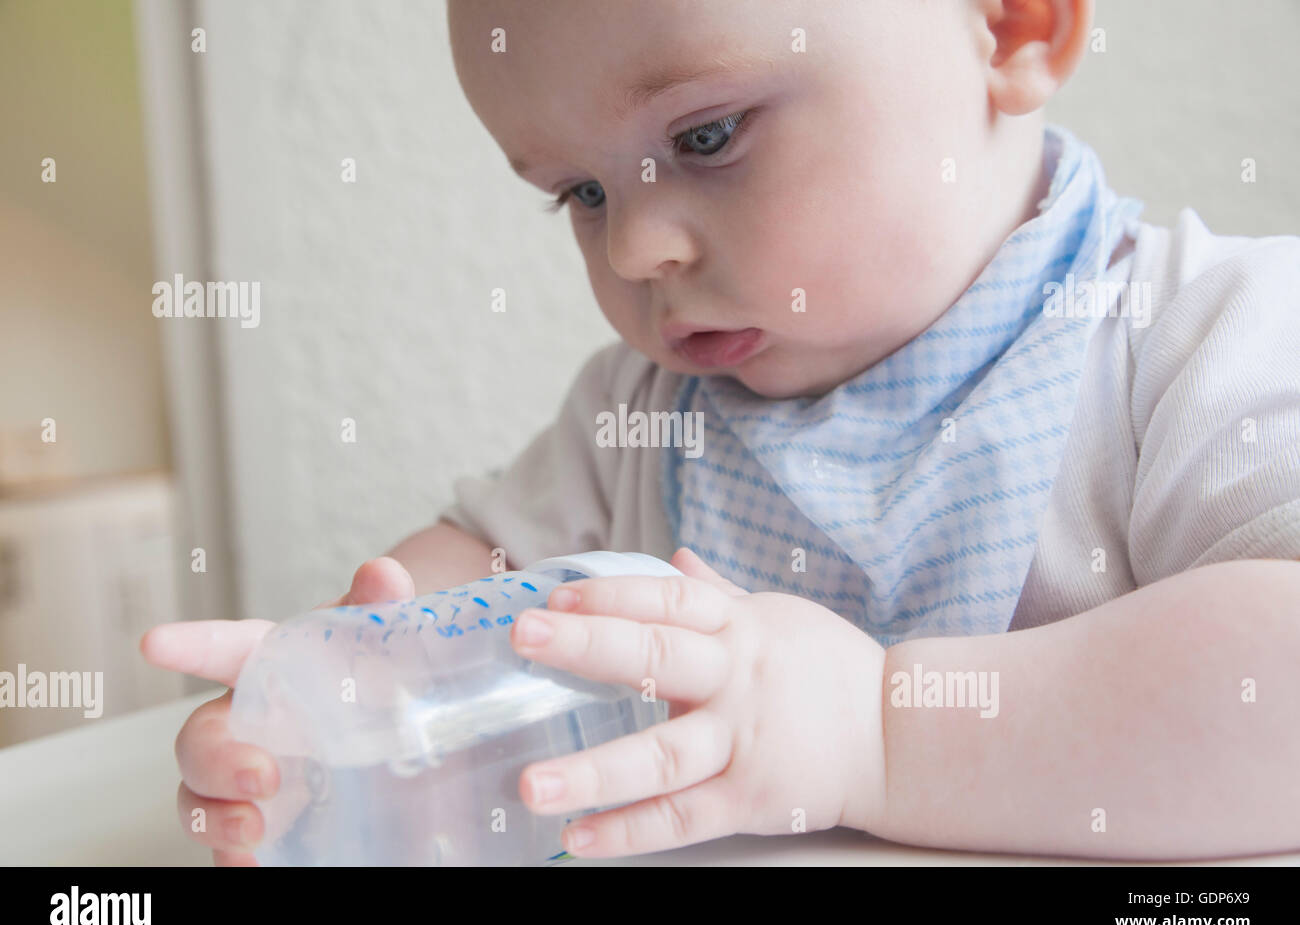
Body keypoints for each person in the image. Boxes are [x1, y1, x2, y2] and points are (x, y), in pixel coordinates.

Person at [142, 0, 1300, 865]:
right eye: (580, 194)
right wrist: (336, 696)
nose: (636, 248)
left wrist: (873, 729)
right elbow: (477, 567)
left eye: (705, 138)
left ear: (1007, 27)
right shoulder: (640, 418)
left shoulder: (1201, 342)